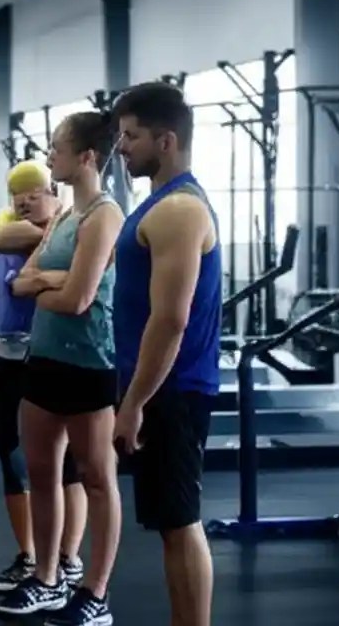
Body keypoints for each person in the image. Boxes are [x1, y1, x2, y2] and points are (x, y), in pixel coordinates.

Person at [0, 112, 125, 625]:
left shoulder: (105, 216)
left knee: (97, 478)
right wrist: (55, 280)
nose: (49, 156)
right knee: (42, 473)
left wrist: (48, 284)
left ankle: (95, 594)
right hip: (44, 361)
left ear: (87, 157)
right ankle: (47, 579)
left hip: (89, 362)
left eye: (57, 147)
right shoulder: (65, 216)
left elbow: (78, 300)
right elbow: (19, 283)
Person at [112, 83, 218, 626]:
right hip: (160, 386)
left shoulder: (179, 209)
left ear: (166, 140)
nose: (121, 147)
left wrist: (134, 403)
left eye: (131, 136)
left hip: (172, 390)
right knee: (171, 526)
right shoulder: (161, 203)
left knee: (181, 522)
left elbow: (171, 319)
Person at [0, 161, 88, 595]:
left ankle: (67, 559)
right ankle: (28, 557)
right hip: (4, 356)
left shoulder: (73, 229)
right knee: (11, 459)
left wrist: (47, 247)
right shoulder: (12, 227)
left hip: (49, 355)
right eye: (17, 194)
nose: (24, 200)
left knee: (67, 466)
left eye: (34, 192)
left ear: (55, 193)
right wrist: (44, 232)